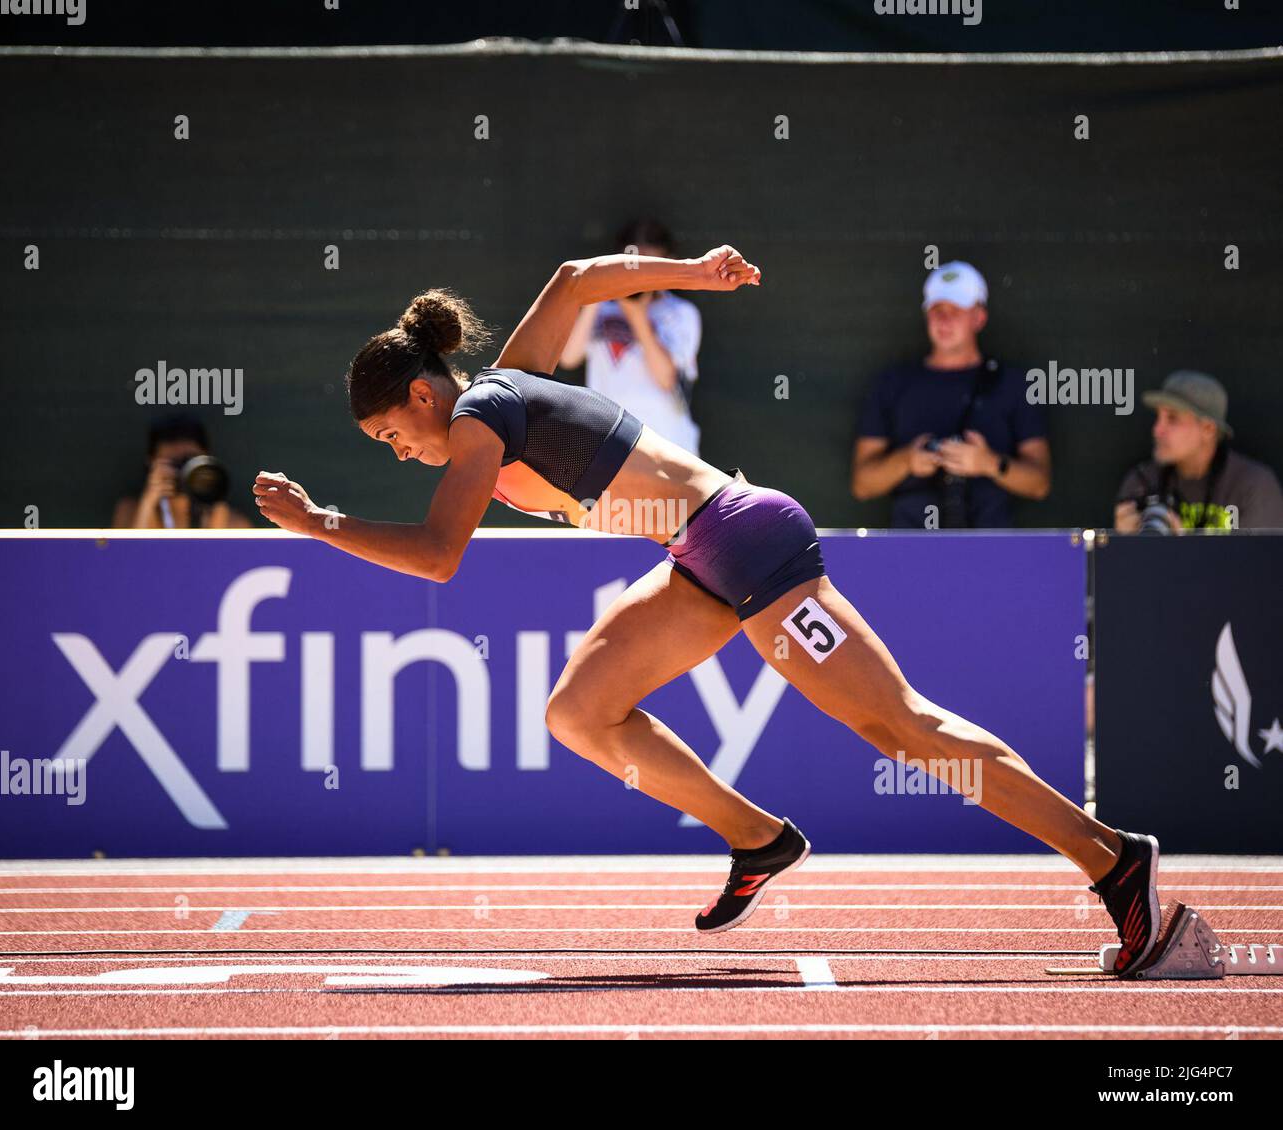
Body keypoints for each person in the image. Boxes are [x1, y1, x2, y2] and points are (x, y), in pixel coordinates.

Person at [253, 245, 1160, 974]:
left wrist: (318, 523)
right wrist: (693, 273)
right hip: (695, 558)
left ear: (422, 395)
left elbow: (440, 557)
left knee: (902, 728)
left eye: (391, 436)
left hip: (747, 538)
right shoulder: (505, 387)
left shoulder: (479, 421)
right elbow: (574, 280)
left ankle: (1110, 857)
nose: (401, 452)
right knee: (578, 712)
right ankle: (757, 838)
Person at [852, 261, 1051, 527]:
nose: (944, 320)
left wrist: (987, 463)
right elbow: (862, 484)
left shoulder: (1012, 384)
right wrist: (908, 460)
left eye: (955, 310)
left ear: (979, 317)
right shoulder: (892, 383)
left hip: (991, 547)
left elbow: (1039, 483)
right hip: (911, 546)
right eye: (937, 310)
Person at [558, 218, 703, 454]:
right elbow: (569, 358)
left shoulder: (681, 313)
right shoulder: (601, 308)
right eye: (636, 266)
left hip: (668, 444)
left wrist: (637, 315)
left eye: (652, 268)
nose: (642, 278)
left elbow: (666, 379)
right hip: (610, 443)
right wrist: (598, 293)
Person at [1114, 370, 1283, 533]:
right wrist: (1124, 544)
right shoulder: (1143, 483)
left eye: (1172, 418)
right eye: (1158, 417)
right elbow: (1122, 560)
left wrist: (1182, 546)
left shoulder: (1253, 486)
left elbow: (1258, 560)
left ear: (1208, 429)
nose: (1157, 430)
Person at [113, 414, 250, 529]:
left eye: (190, 461)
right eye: (173, 463)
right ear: (151, 463)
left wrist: (215, 510)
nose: (183, 471)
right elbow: (132, 556)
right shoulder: (129, 511)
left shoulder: (236, 524)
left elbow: (224, 558)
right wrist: (149, 502)